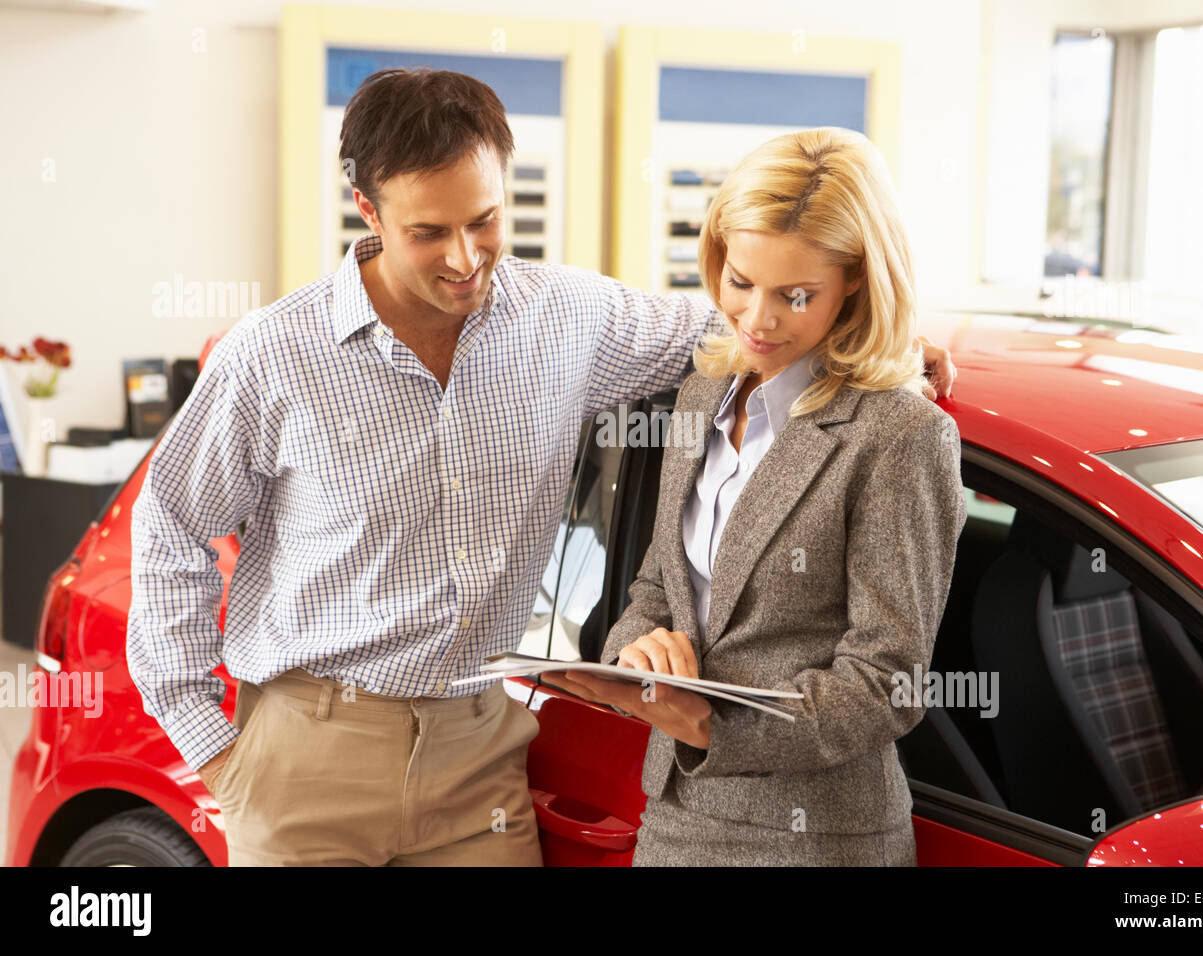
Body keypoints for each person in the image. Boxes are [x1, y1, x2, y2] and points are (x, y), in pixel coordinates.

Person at [125, 69, 955, 866]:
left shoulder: (569, 318)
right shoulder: (274, 355)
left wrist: (882, 336)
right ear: (367, 211)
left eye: (485, 220)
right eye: (427, 232)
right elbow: (169, 524)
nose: (464, 258)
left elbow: (748, 320)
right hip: (308, 754)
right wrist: (215, 748)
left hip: (479, 753)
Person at [542, 127, 967, 865]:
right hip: (673, 811)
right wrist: (634, 652)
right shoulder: (704, 389)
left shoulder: (900, 434)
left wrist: (711, 725)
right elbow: (654, 587)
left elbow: (887, 683)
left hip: (814, 837)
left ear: (857, 280)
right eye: (740, 283)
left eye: (796, 296)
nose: (758, 320)